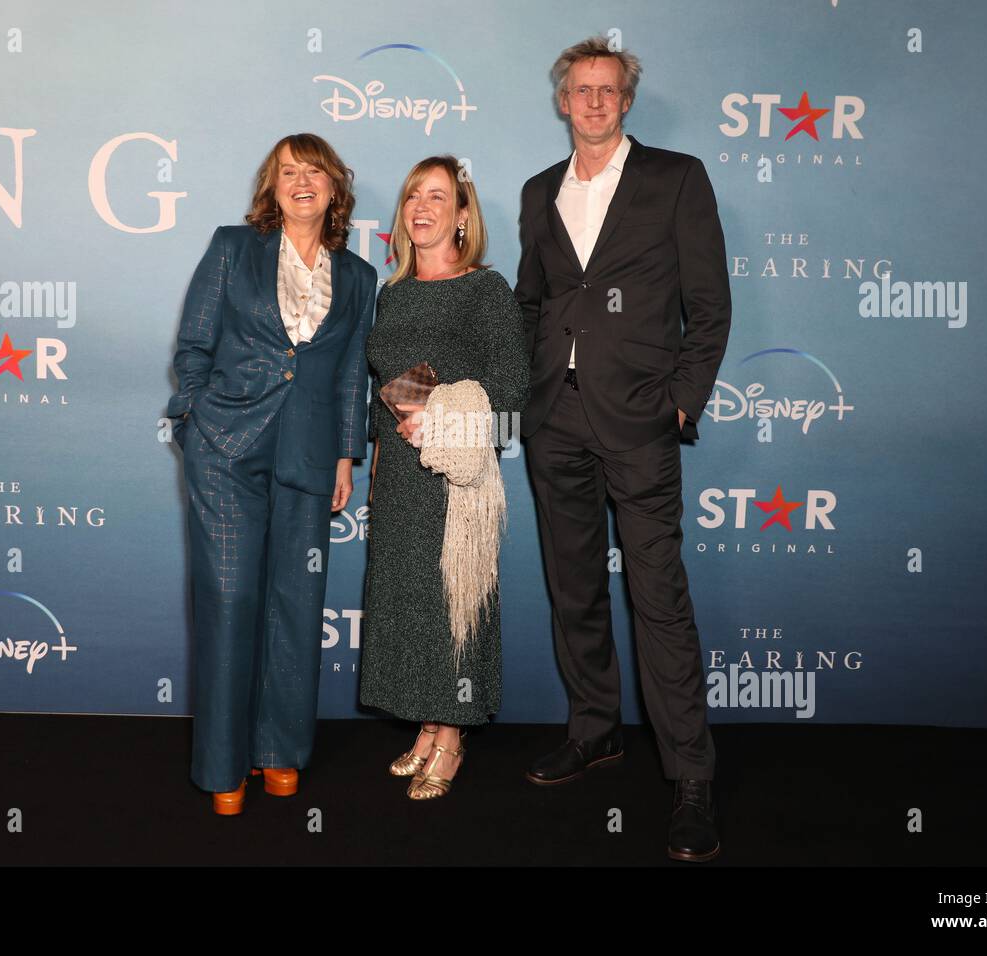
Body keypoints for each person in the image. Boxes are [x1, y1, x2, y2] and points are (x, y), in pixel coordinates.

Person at [514, 37, 733, 860]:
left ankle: (692, 777)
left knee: (659, 600)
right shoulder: (540, 191)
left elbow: (709, 308)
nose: (596, 102)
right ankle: (594, 728)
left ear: (627, 101)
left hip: (640, 420)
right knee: (574, 591)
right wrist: (518, 399)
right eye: (582, 90)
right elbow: (532, 304)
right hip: (555, 421)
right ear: (563, 100)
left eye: (609, 90)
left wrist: (679, 404)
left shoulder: (677, 178)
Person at [167, 133, 377, 816]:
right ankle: (223, 765)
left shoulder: (358, 276)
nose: (302, 181)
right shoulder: (234, 248)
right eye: (289, 171)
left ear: (335, 188)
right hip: (226, 450)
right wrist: (198, 415)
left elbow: (350, 376)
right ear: (272, 184)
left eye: (314, 171)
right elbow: (194, 344)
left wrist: (347, 455)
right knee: (230, 603)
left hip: (311, 457)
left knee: (295, 606)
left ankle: (278, 752)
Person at [360, 156, 529, 800]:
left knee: (453, 596)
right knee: (410, 602)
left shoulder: (486, 290)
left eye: (438, 196)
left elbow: (513, 399)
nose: (422, 206)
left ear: (463, 214)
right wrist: (385, 456)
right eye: (413, 196)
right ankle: (428, 727)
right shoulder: (392, 293)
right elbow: (389, 388)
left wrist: (438, 423)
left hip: (457, 480)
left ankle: (453, 737)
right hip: (401, 474)